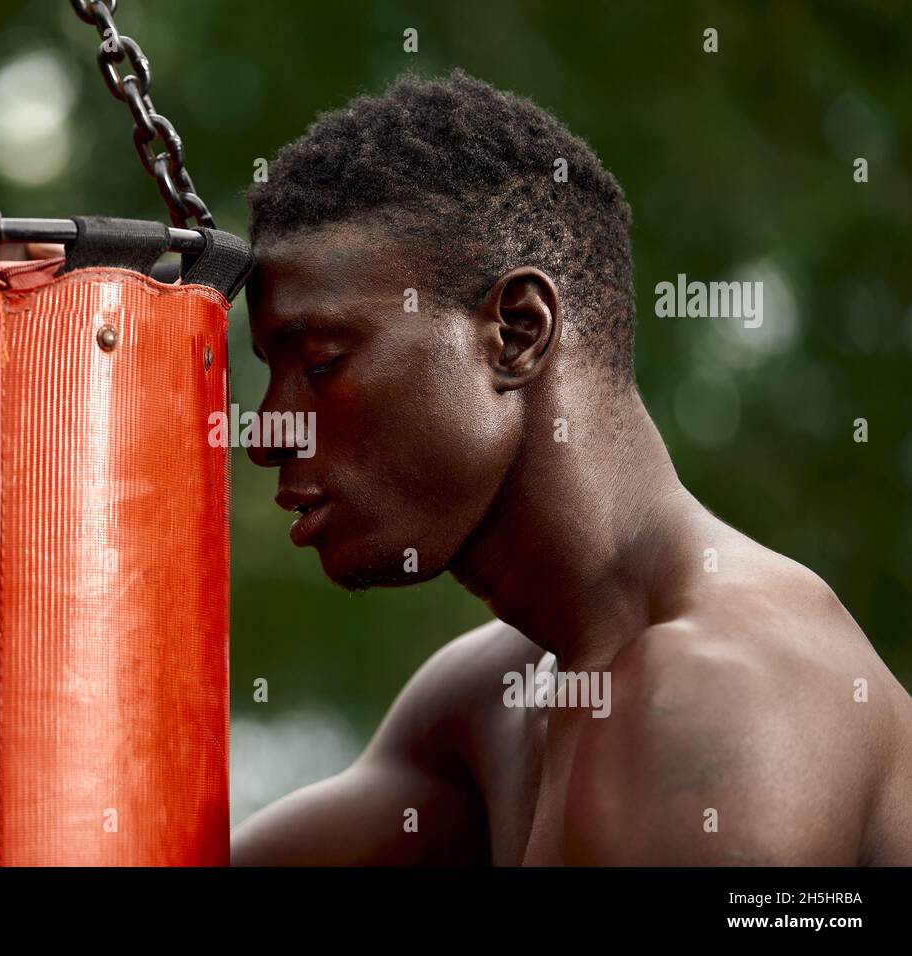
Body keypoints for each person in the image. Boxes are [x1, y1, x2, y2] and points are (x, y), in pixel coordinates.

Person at [231, 69, 912, 865]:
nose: (266, 431)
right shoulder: (488, 699)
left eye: (318, 364)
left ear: (516, 332)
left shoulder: (715, 690)